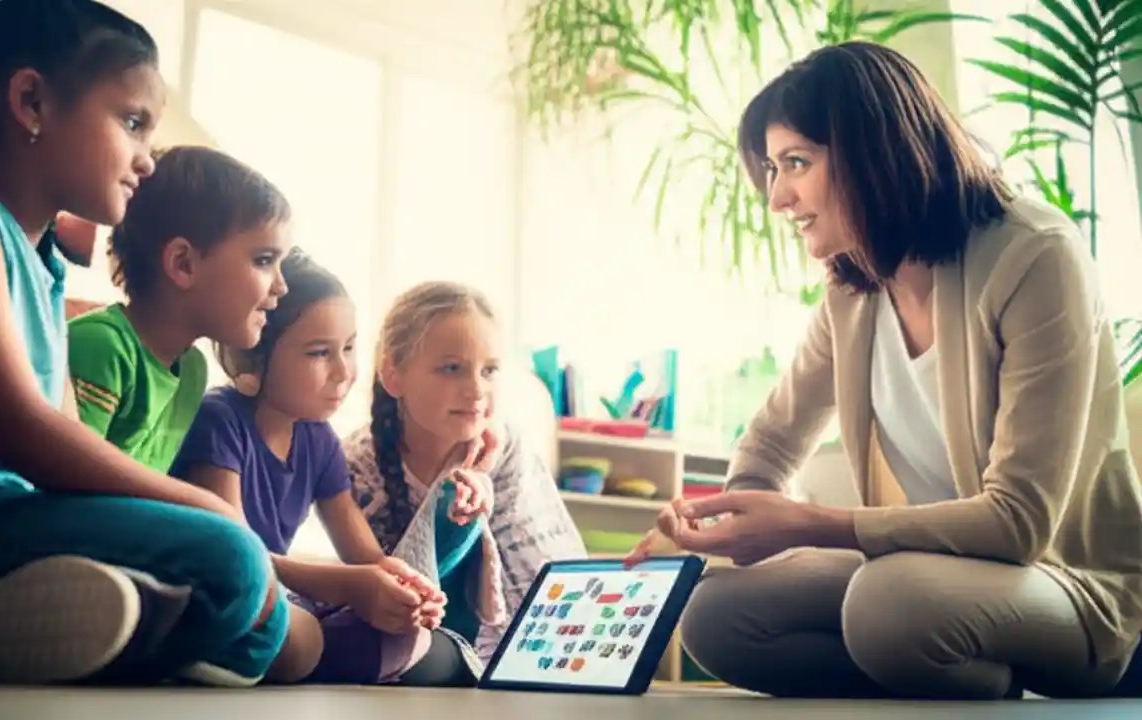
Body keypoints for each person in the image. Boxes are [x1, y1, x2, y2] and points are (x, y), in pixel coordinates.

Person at [627, 41, 1142, 700]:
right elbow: (774, 439)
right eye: (771, 168)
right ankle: (953, 676)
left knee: (887, 603)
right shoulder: (854, 288)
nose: (778, 197)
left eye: (796, 163)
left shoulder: (1034, 256)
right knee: (716, 617)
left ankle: (959, 671)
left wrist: (809, 525)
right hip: (926, 580)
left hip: (1067, 582)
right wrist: (724, 524)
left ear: (874, 154)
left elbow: (1018, 523)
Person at [0, 0, 285, 687]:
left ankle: (0, 624)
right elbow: (21, 430)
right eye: (131, 122)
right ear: (30, 101)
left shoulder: (44, 263)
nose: (147, 159)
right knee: (232, 562)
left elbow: (56, 425)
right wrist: (200, 506)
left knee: (261, 621)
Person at [174, 251, 493, 685]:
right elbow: (235, 555)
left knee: (410, 636)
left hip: (280, 600)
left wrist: (407, 591)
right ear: (254, 356)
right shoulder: (220, 420)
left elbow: (366, 557)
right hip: (227, 588)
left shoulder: (318, 439)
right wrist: (348, 586)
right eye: (319, 353)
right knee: (303, 636)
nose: (344, 371)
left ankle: (274, 659)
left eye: (348, 347)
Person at [343, 281, 588, 664]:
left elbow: (540, 568)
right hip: (420, 637)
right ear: (393, 374)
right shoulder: (358, 465)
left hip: (520, 645)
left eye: (489, 370)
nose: (475, 389)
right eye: (452, 368)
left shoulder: (507, 449)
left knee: (457, 502)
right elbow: (377, 588)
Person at [68, 145, 291, 474]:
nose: (281, 286)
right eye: (263, 261)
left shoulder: (191, 370)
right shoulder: (103, 348)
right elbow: (67, 488)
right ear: (183, 263)